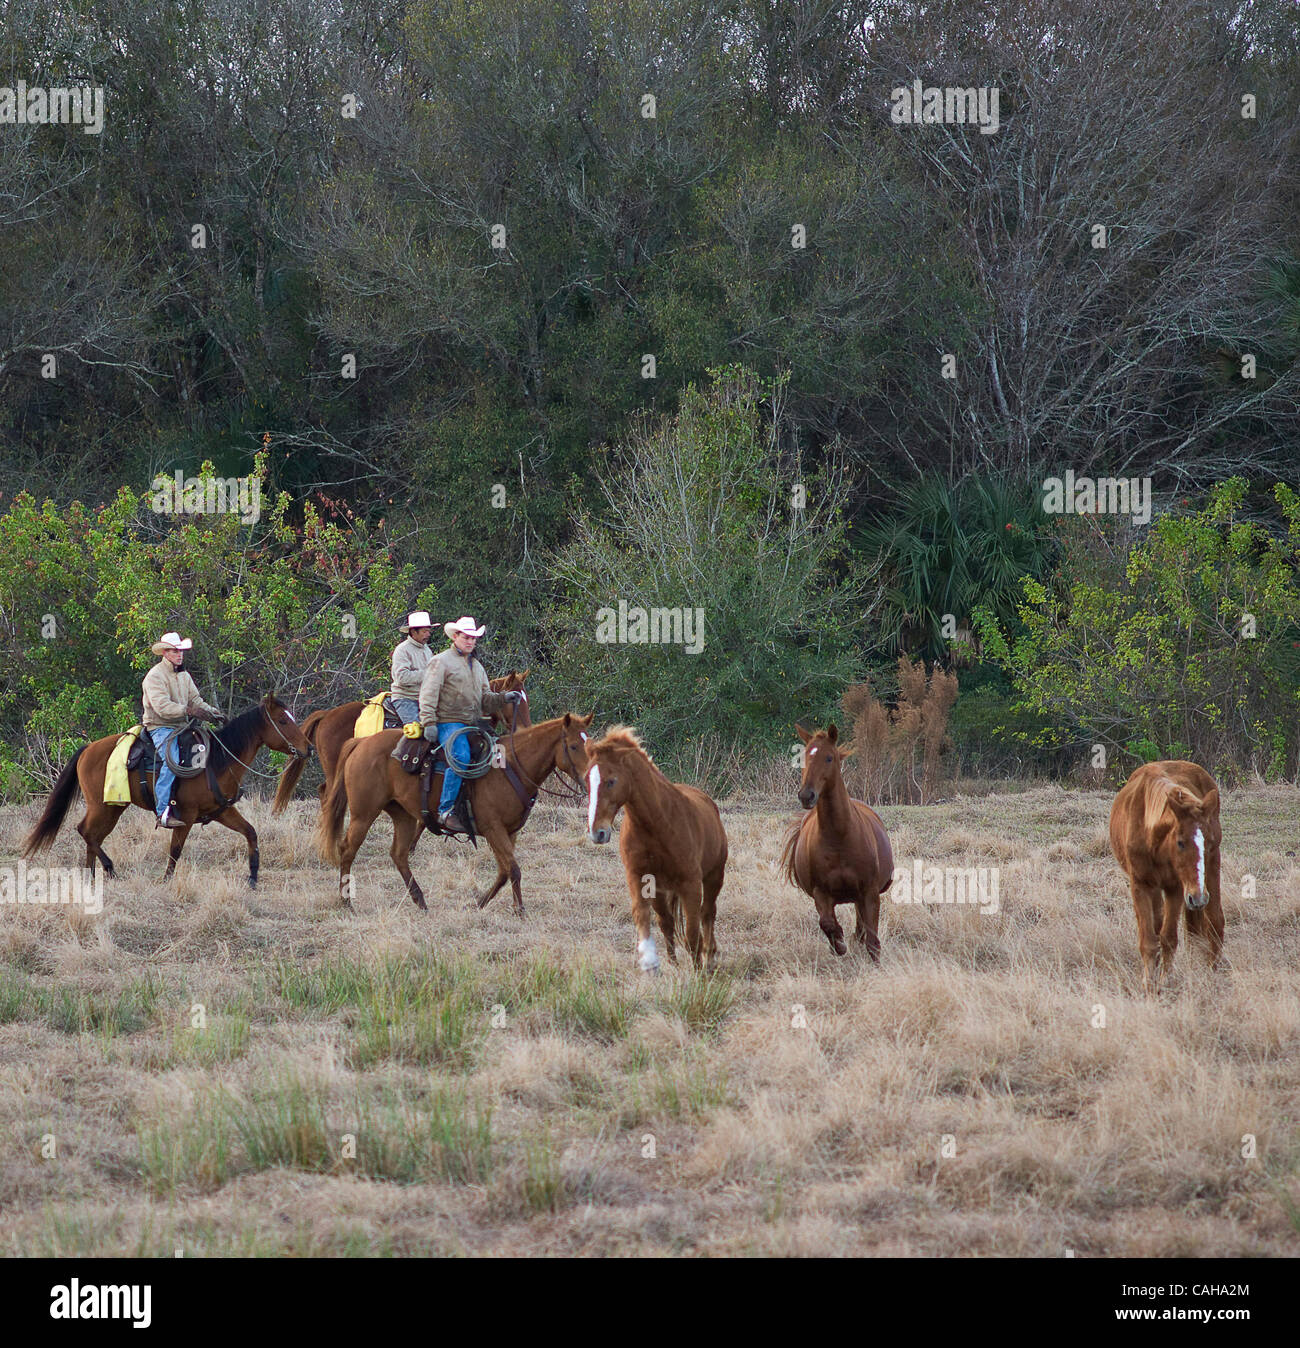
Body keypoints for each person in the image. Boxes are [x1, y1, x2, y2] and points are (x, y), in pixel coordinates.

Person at [417, 616, 523, 832]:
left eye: (473, 638)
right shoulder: (441, 661)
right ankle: (445, 810)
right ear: (455, 637)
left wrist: (504, 697)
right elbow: (428, 694)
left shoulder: (477, 666)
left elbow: (485, 699)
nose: (470, 641)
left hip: (473, 723)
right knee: (461, 756)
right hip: (448, 722)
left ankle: (488, 805)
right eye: (466, 637)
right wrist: (428, 722)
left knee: (500, 753)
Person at [141, 632, 225, 827]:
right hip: (159, 727)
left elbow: (196, 700)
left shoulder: (184, 675)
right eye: (175, 651)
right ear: (164, 652)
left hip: (181, 726)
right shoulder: (154, 676)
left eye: (181, 651)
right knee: (173, 761)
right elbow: (162, 707)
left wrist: (215, 713)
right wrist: (188, 710)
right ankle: (162, 812)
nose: (179, 654)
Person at [390, 610, 434, 726]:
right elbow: (402, 677)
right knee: (416, 730)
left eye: (429, 631)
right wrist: (429, 674)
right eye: (424, 631)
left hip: (425, 699)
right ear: (413, 632)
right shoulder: (402, 650)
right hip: (405, 698)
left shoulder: (427, 650)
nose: (428, 634)